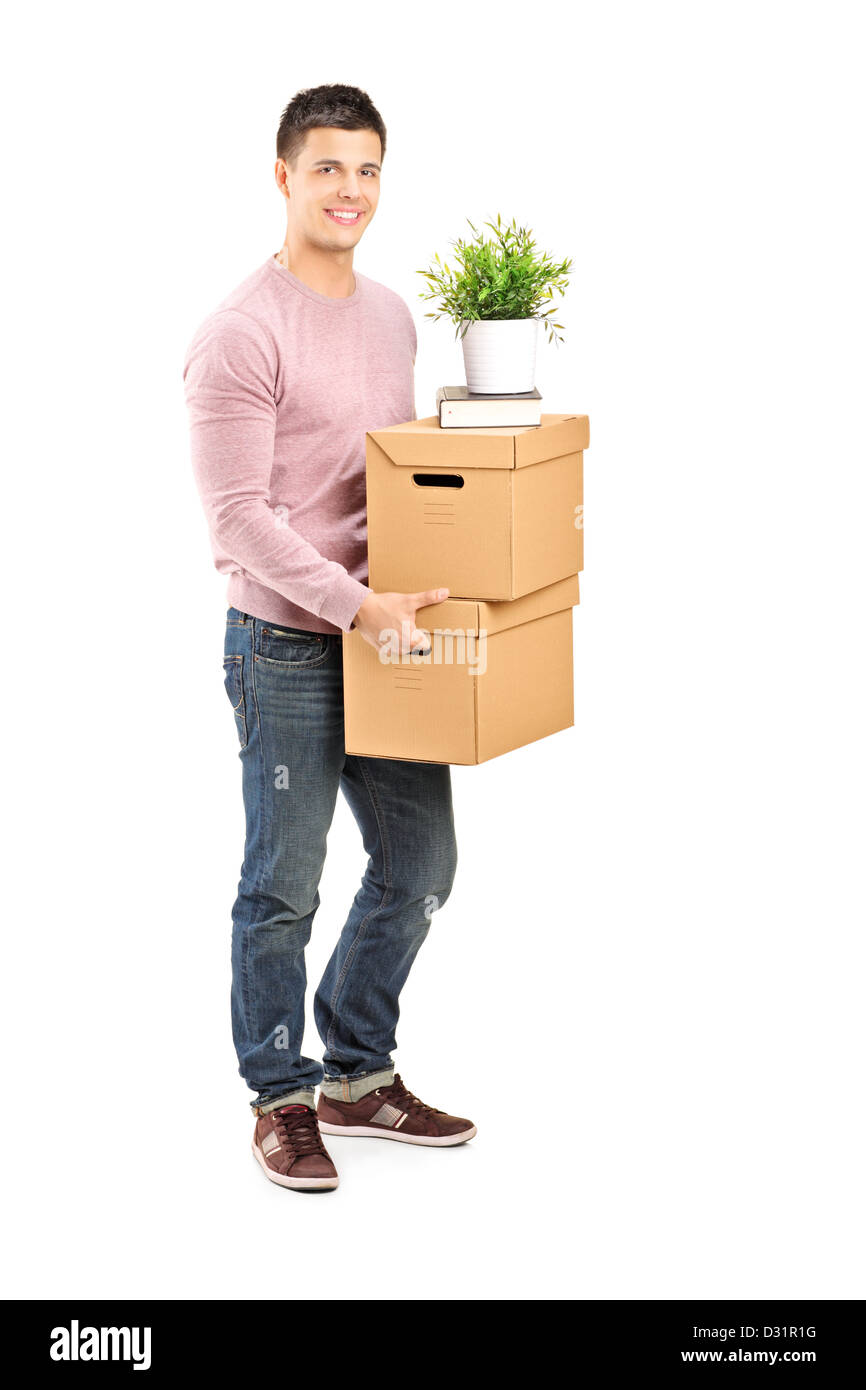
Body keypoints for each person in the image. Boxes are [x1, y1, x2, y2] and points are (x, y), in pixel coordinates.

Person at [182, 84, 476, 1192]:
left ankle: (357, 1074)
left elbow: (384, 474)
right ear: (282, 178)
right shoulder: (238, 333)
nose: (349, 190)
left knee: (419, 864)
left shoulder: (392, 314)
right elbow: (238, 519)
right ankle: (279, 1094)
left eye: (366, 170)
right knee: (283, 883)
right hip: (287, 648)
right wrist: (357, 606)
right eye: (327, 170)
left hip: (388, 640)